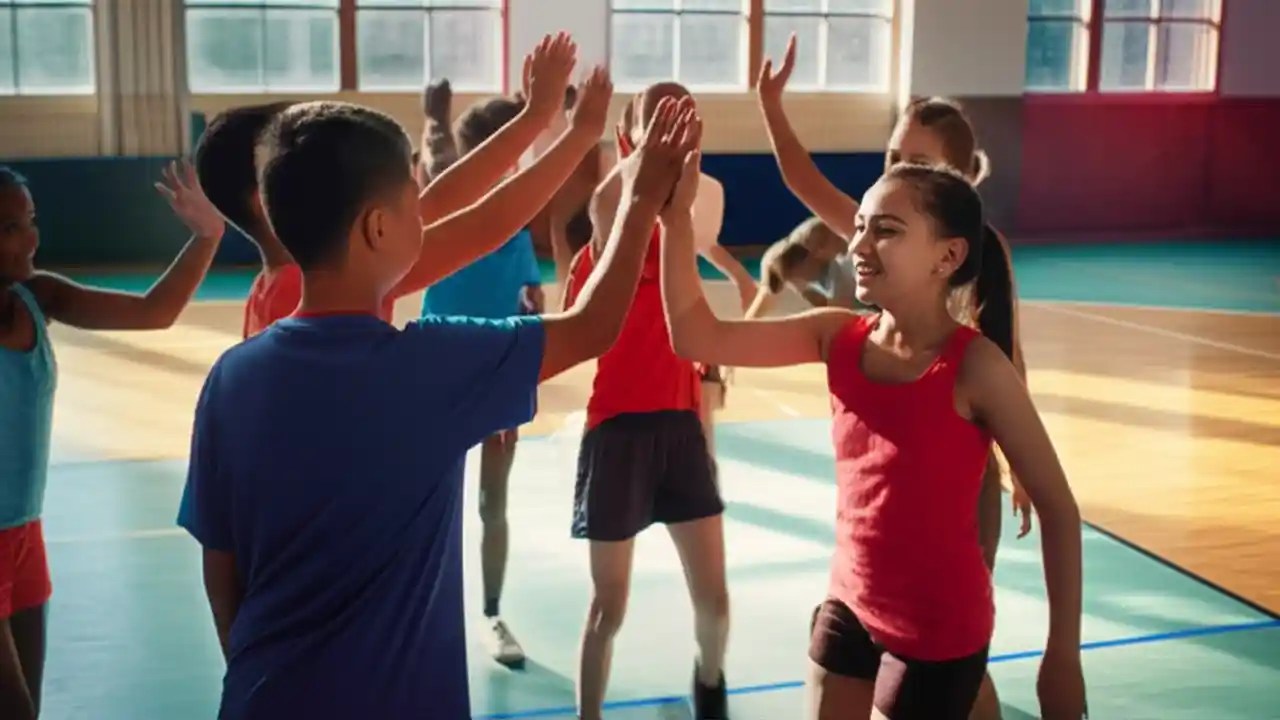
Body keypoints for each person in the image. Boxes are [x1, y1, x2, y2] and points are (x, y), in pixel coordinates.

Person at [176, 59, 706, 720]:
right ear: (376, 227)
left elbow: (219, 570)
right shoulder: (432, 367)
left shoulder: (230, 376)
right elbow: (592, 325)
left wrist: (560, 131)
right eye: (412, 198)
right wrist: (640, 194)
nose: (425, 210)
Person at [657, 156, 1087, 720]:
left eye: (885, 231)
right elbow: (696, 335)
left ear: (947, 256)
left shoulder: (975, 368)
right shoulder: (837, 336)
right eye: (859, 226)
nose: (859, 245)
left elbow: (1058, 510)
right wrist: (672, 220)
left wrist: (1061, 655)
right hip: (851, 600)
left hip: (938, 628)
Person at [757, 37, 1035, 717]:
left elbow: (1006, 353)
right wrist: (770, 104)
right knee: (887, 627)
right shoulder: (876, 231)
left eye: (916, 160)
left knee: (952, 644)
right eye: (892, 155)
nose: (896, 167)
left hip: (960, 481)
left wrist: (1021, 465)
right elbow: (801, 178)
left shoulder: (975, 254)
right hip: (894, 480)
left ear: (963, 177)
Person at [0, 161, 224, 720]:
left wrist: (207, 236)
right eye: (9, 228)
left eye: (30, 220)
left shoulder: (40, 297)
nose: (30, 237)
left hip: (26, 537)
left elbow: (155, 312)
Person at [563, 84, 728, 720]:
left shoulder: (687, 225)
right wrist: (646, 150)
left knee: (714, 599)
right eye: (657, 120)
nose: (674, 130)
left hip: (681, 430)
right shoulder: (609, 233)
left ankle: (709, 686)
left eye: (684, 119)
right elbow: (613, 204)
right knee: (610, 606)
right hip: (616, 434)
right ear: (630, 138)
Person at [416, 92, 549, 667]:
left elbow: (526, 302)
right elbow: (439, 160)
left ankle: (493, 615)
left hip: (495, 370)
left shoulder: (516, 222)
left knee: (493, 503)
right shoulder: (447, 202)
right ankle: (418, 612)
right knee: (427, 502)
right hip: (436, 369)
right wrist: (435, 121)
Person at [746, 216, 858, 318]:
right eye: (791, 281)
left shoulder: (842, 267)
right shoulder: (774, 259)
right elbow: (765, 298)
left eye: (795, 279)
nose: (796, 284)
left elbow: (839, 316)